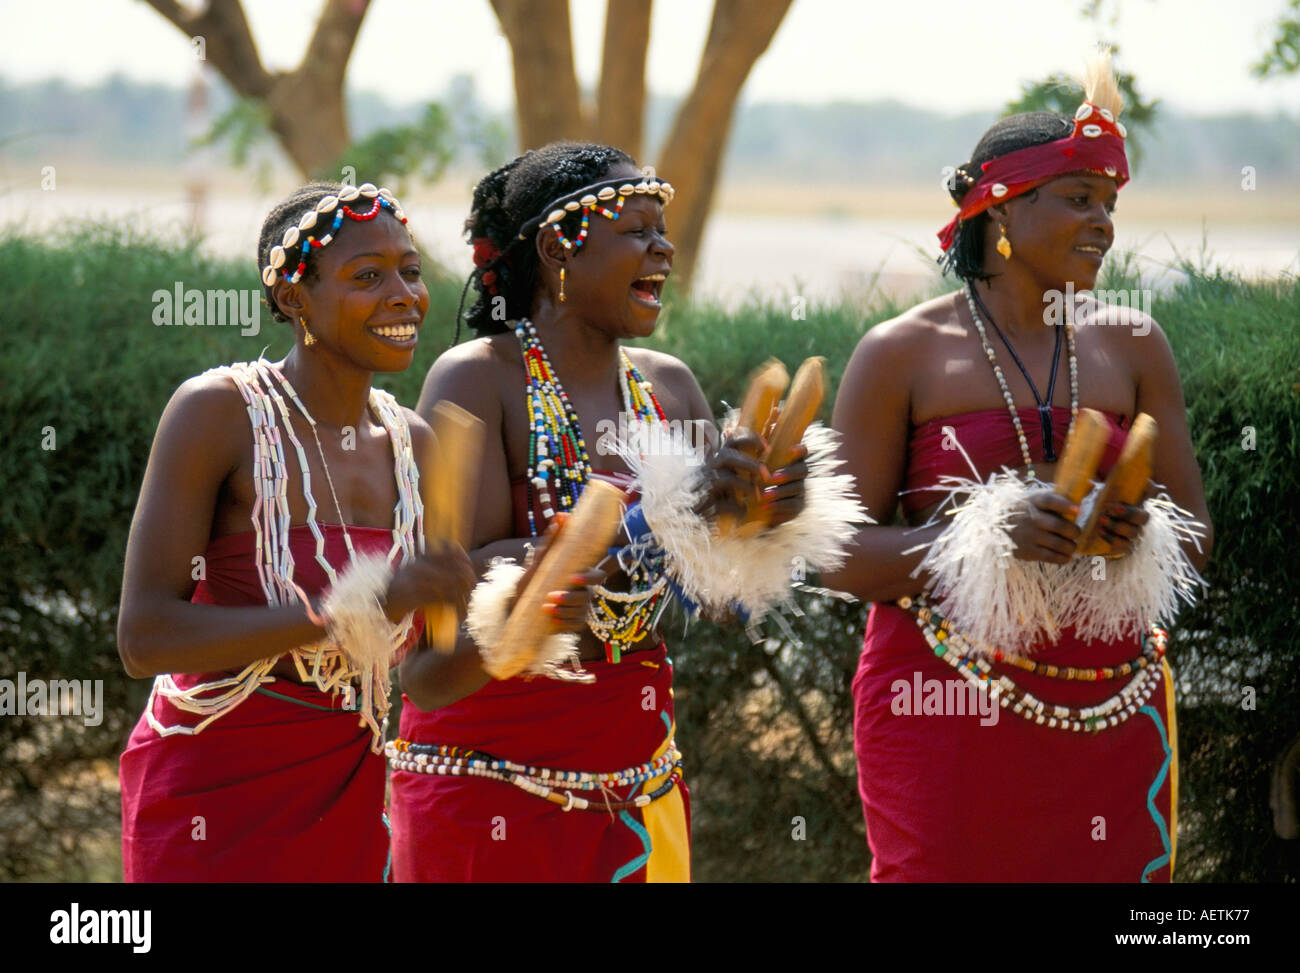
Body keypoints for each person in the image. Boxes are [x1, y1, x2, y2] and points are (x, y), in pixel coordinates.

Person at [388, 142, 858, 882]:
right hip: (487, 794)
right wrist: (647, 526)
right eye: (637, 229)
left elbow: (724, 604)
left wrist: (765, 520)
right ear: (555, 248)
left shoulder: (668, 386)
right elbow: (445, 619)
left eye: (662, 229)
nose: (663, 246)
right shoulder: (478, 379)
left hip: (638, 789)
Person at [825, 56, 1213, 882]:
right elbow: (834, 555)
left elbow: (1196, 540)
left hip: (1111, 708)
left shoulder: (1135, 343)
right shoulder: (901, 353)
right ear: (1001, 211)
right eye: (1078, 199)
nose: (1104, 222)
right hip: (943, 713)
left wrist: (1132, 538)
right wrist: (980, 537)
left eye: (1110, 204)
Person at [116, 181, 479, 882]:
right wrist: (345, 613)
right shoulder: (218, 414)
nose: (405, 294)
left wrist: (535, 616)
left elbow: (430, 680)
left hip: (349, 791)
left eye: (411, 270)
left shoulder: (418, 446)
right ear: (293, 298)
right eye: (367, 277)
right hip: (211, 792)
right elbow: (144, 636)